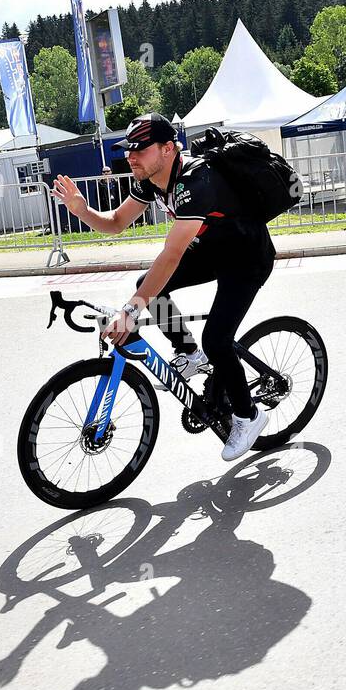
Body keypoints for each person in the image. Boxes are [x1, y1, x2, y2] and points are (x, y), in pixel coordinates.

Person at [51, 112, 276, 462]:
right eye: (129, 149)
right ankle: (188, 352)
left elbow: (171, 255)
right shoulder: (149, 181)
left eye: (140, 149)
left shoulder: (197, 180)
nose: (131, 156)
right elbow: (115, 223)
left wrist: (130, 311)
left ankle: (249, 416)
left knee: (217, 339)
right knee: (147, 286)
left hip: (246, 257)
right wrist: (81, 209)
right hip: (212, 251)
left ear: (168, 149)